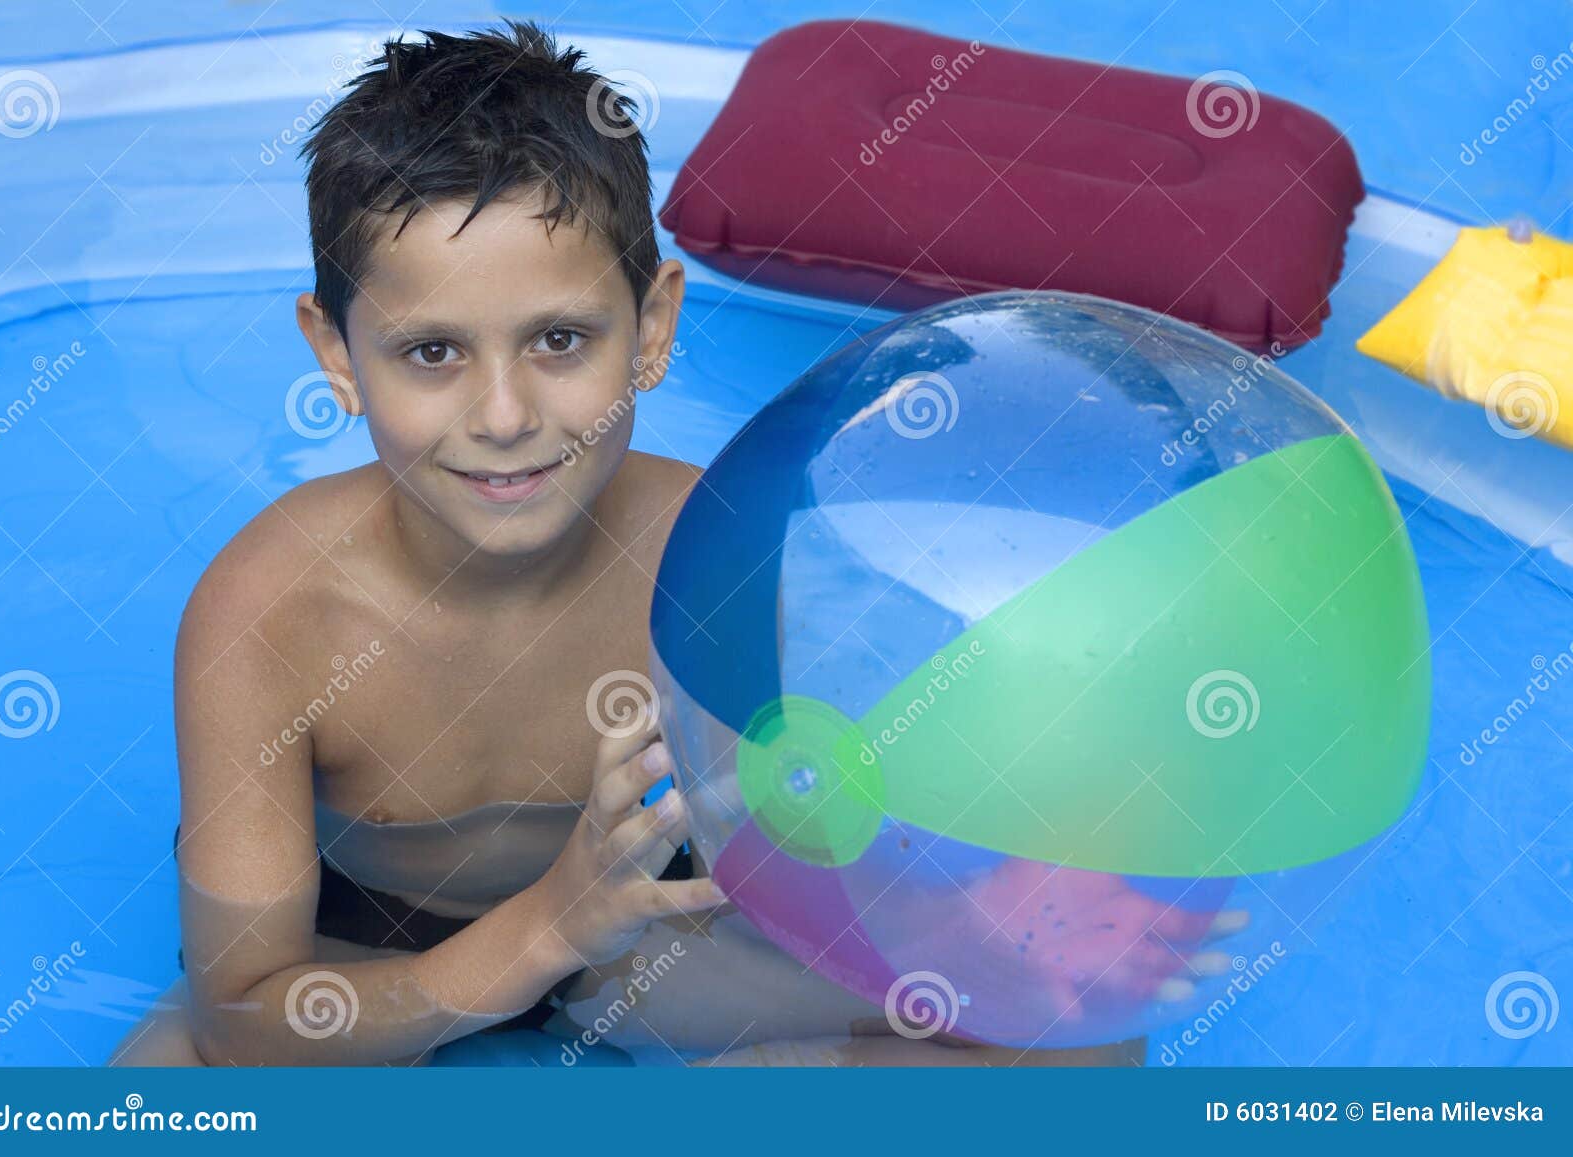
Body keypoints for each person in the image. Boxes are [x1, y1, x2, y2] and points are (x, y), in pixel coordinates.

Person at [110, 22, 1219, 1067]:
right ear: (337, 353)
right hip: (367, 958)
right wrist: (540, 929)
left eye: (558, 339)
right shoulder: (271, 615)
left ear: (651, 328)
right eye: (431, 351)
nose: (503, 414)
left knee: (1075, 1036)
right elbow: (246, 1009)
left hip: (640, 939)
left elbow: (782, 844)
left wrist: (960, 922)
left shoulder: (715, 541)